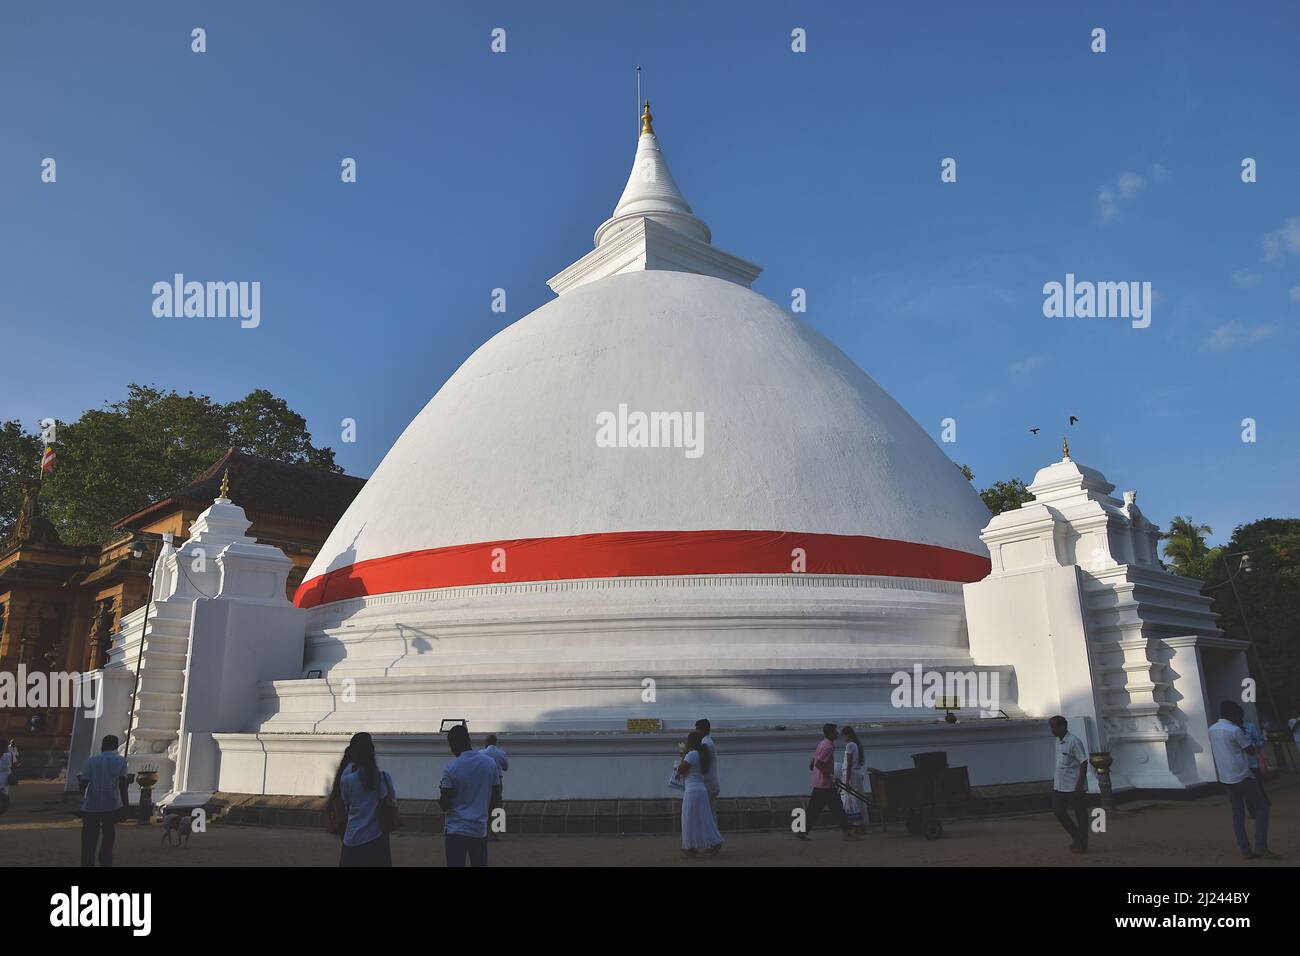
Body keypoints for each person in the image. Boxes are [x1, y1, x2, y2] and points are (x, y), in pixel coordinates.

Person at [1210, 701, 1278, 860]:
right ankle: (1261, 845)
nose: (1239, 719)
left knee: (1237, 814)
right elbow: (1251, 751)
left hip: (1226, 777)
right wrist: (1246, 733)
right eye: (1238, 716)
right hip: (1243, 775)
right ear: (1233, 715)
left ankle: (1245, 849)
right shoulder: (1235, 730)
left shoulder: (1212, 729)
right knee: (1262, 807)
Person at [439, 724, 498, 867]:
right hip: (479, 828)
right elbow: (496, 794)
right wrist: (485, 815)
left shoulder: (451, 768)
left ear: (453, 744)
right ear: (468, 740)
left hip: (456, 829)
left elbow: (444, 804)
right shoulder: (490, 764)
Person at [332, 732, 394, 866]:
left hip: (353, 835)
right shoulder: (382, 778)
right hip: (376, 835)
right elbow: (389, 800)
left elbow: (346, 804)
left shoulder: (347, 779)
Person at [796, 724, 856, 841]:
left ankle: (802, 831)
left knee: (814, 809)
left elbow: (814, 761)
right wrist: (832, 776)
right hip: (825, 784)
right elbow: (819, 763)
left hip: (819, 782)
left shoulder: (822, 743)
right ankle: (847, 832)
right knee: (838, 809)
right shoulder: (828, 747)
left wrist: (813, 766)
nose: (837, 734)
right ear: (830, 733)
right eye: (835, 731)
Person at [77, 735, 129, 867]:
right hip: (111, 804)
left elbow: (84, 782)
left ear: (102, 745)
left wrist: (80, 792)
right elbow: (123, 785)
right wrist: (125, 806)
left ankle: (87, 862)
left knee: (89, 836)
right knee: (109, 833)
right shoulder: (121, 761)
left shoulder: (92, 760)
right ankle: (105, 858)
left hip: (91, 805)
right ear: (116, 746)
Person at [676, 731, 723, 857]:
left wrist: (681, 758)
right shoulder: (700, 754)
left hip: (692, 790)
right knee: (704, 817)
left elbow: (681, 770)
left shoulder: (691, 755)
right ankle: (714, 842)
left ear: (690, 742)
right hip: (700, 789)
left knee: (688, 818)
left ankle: (690, 847)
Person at [1048, 716, 1089, 854]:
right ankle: (1078, 837)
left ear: (1063, 727)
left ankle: (1082, 844)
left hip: (1074, 785)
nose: (1052, 730)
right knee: (1058, 811)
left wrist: (1079, 784)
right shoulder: (1058, 741)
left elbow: (1083, 762)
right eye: (1051, 727)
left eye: (1054, 727)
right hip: (1059, 785)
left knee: (1080, 815)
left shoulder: (1074, 742)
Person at [839, 725, 866, 834]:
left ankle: (855, 825)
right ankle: (860, 825)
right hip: (856, 773)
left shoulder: (849, 745)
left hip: (850, 774)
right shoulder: (856, 745)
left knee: (850, 800)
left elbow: (849, 764)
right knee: (857, 799)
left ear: (847, 735)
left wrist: (846, 781)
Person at [695, 718, 720, 812]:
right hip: (712, 783)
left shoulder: (705, 744)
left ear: (702, 730)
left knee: (707, 814)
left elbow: (704, 766)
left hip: (708, 785)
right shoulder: (709, 741)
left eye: (697, 729)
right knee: (711, 813)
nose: (696, 732)